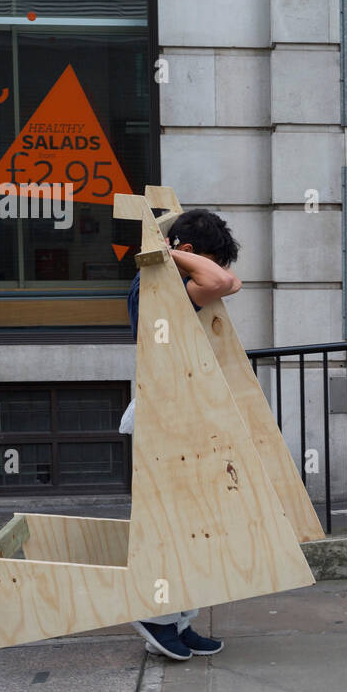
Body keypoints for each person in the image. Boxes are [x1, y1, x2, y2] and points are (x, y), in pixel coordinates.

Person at [123, 208, 242, 658]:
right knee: (167, 524)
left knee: (194, 524)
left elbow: (229, 282)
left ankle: (179, 617)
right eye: (206, 258)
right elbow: (217, 282)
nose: (217, 268)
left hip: (182, 414)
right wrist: (171, 255)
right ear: (187, 253)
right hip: (162, 416)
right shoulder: (155, 286)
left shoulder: (176, 281)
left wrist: (177, 256)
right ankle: (154, 615)